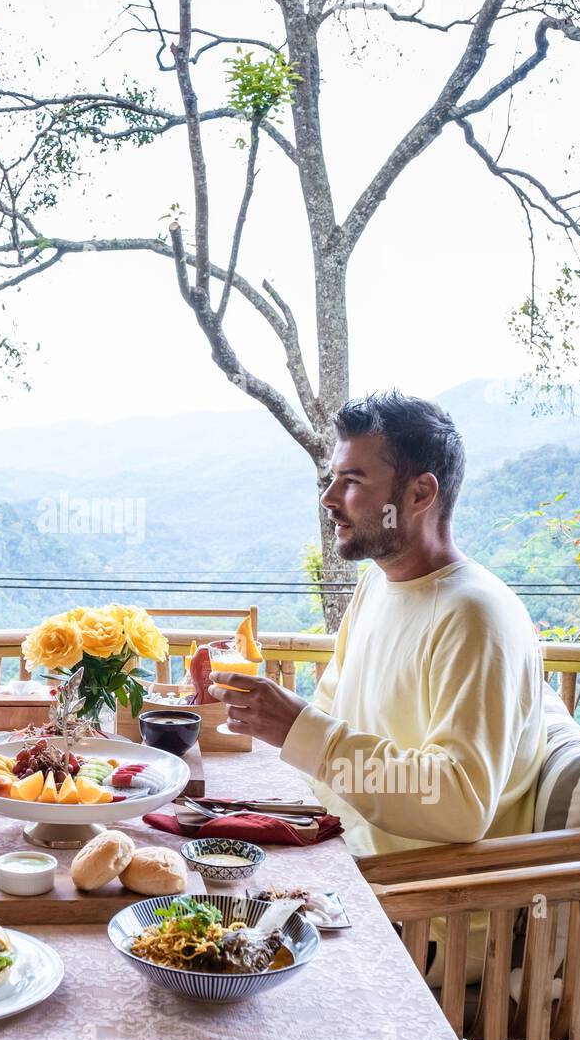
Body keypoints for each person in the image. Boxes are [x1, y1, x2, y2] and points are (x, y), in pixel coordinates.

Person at [210, 391, 546, 982]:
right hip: (348, 873)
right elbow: (333, 726)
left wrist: (300, 730)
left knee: (205, 970)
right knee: (179, 891)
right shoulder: (376, 588)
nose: (330, 500)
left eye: (353, 481)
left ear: (419, 494)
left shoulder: (474, 616)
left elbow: (461, 804)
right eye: (333, 478)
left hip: (425, 918)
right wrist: (268, 729)